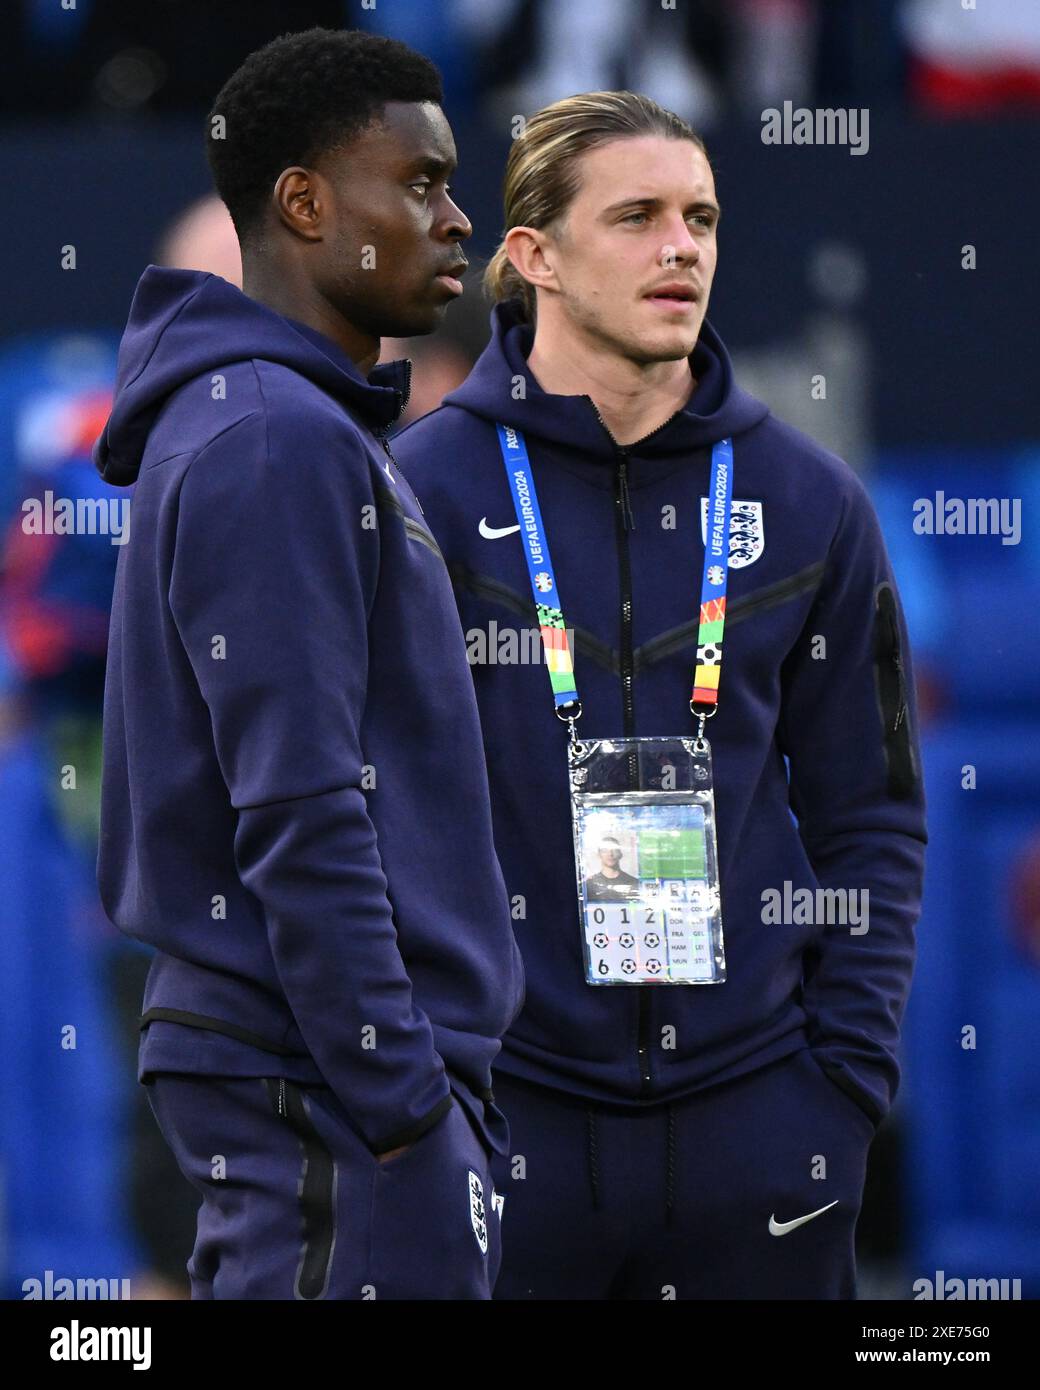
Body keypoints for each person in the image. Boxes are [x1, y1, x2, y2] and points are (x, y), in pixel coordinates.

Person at [392, 90, 927, 1299]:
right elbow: (364, 815)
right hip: (501, 1113)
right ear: (531, 256)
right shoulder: (413, 495)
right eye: (634, 217)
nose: (680, 246)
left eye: (699, 217)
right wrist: (422, 1090)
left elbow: (873, 814)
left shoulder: (806, 499)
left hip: (755, 1117)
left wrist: (842, 1081)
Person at [92, 27, 523, 1300]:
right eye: (423, 183)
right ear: (304, 201)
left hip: (321, 1078)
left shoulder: (286, 422)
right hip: (331, 1089)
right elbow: (299, 809)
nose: (458, 220)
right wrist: (402, 1103)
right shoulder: (274, 438)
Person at [585, 836, 640, 901]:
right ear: (599, 855)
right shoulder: (589, 884)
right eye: (605, 850)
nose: (610, 854)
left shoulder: (634, 882)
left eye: (614, 850)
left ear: (620, 854)